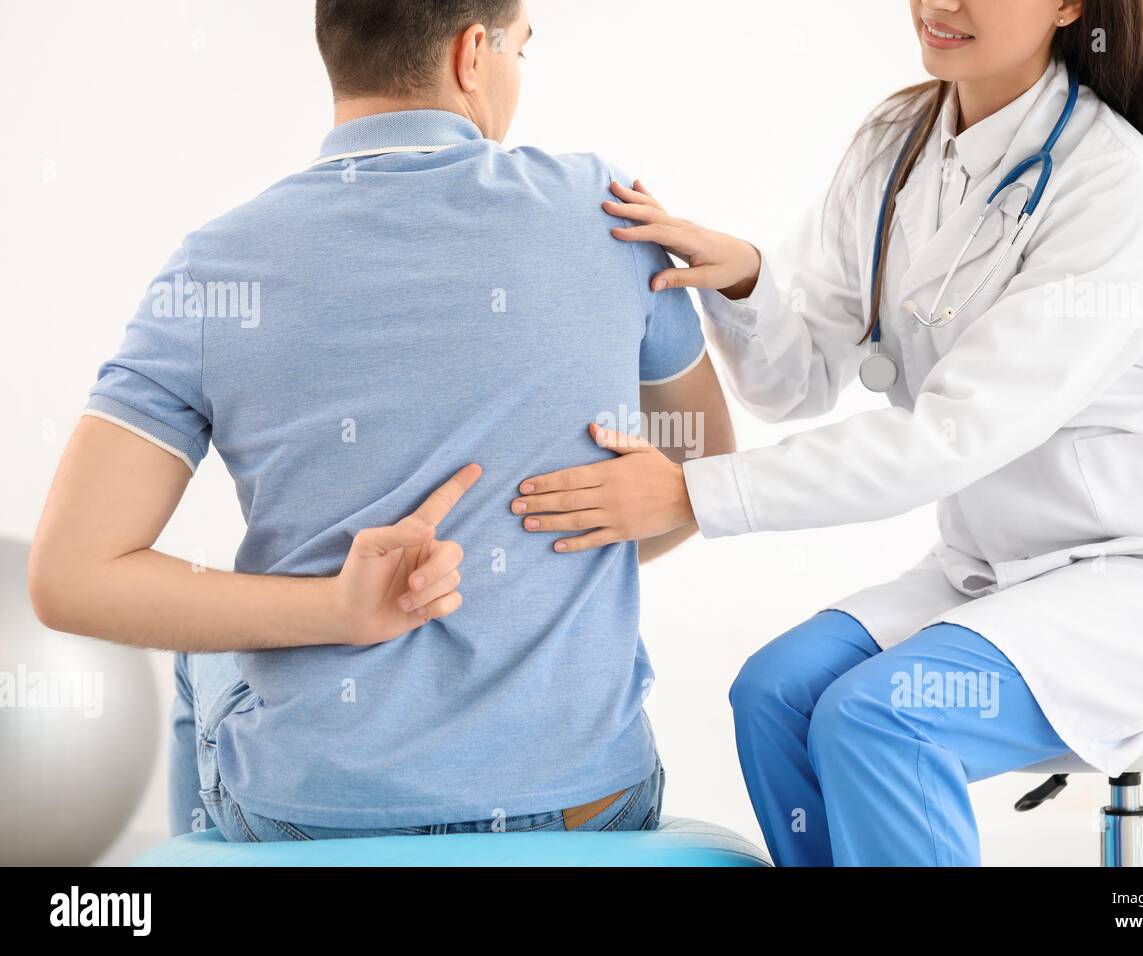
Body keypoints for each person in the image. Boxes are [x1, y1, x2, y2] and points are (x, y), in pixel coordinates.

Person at [512, 0, 1143, 865]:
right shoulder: (898, 140)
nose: (940, 4)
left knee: (882, 718)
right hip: (995, 567)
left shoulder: (1113, 185)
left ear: (1071, 6)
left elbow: (951, 437)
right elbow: (795, 383)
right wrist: (748, 283)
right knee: (774, 696)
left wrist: (692, 493)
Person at [28, 0, 733, 842]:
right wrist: (553, 547)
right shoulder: (608, 213)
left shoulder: (215, 266)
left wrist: (337, 611)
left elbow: (71, 576)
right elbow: (707, 469)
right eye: (521, 50)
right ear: (474, 54)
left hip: (318, 814)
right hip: (586, 805)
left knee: (205, 658)